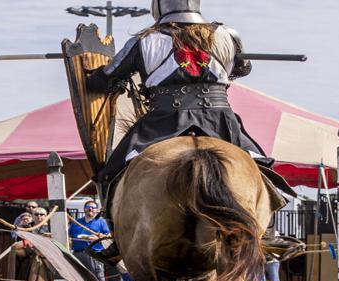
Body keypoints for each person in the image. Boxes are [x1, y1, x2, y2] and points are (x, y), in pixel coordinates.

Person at [86, 0, 293, 260]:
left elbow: (103, 80)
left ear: (158, 7)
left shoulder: (144, 40)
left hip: (164, 120)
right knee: (259, 165)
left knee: (111, 172)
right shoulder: (227, 35)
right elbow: (243, 68)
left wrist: (94, 71)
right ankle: (269, 231)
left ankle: (118, 238)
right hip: (219, 120)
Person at [68, 201, 110, 281]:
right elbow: (69, 236)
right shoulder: (76, 222)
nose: (90, 209)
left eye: (93, 207)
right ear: (84, 209)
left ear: (96, 210)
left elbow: (108, 236)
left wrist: (97, 238)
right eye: (88, 207)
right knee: (78, 275)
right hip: (78, 252)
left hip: (94, 252)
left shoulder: (101, 222)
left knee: (97, 276)